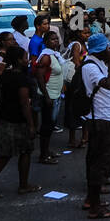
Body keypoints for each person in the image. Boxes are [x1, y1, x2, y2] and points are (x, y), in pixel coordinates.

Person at [0, 45, 38, 199]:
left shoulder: (5, 75)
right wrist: (31, 124)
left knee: (4, 153)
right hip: (18, 120)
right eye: (25, 58)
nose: (27, 60)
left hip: (5, 118)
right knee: (25, 151)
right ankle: (23, 184)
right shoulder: (21, 79)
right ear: (19, 60)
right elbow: (24, 103)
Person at [81, 33, 110, 219]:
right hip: (100, 120)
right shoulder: (90, 67)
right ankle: (95, 208)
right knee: (98, 163)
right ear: (100, 50)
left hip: (105, 117)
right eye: (107, 48)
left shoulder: (98, 62)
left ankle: (91, 199)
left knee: (96, 160)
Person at [33, 29, 66, 164]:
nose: (56, 41)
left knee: (51, 125)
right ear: (46, 42)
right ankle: (43, 155)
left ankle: (47, 151)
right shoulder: (46, 56)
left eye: (56, 39)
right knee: (46, 125)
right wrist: (46, 96)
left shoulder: (55, 54)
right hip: (48, 95)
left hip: (55, 94)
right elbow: (39, 77)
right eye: (52, 39)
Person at [63, 30, 89, 150]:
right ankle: (72, 139)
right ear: (79, 34)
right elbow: (76, 62)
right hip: (76, 81)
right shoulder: (76, 45)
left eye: (88, 33)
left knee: (84, 110)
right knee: (74, 108)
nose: (87, 35)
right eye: (84, 33)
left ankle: (84, 137)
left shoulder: (85, 44)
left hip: (81, 80)